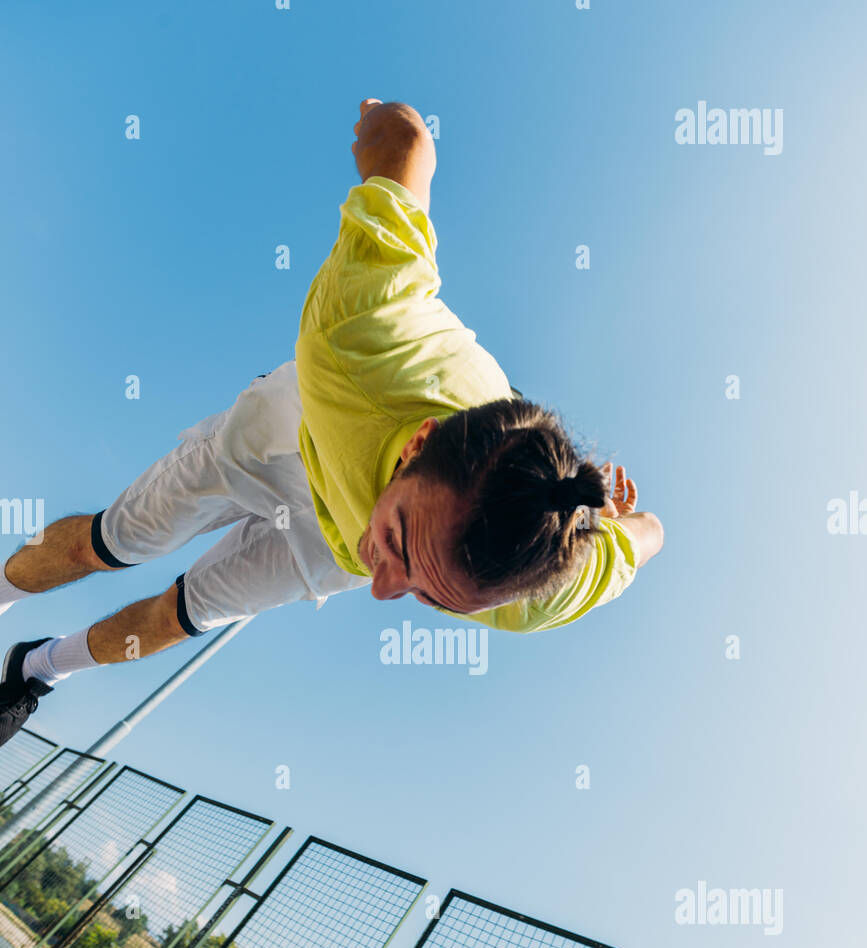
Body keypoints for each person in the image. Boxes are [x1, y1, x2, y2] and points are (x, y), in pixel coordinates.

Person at [0, 99, 663, 746]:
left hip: (325, 543)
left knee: (180, 616)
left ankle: (33, 668)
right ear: (418, 446)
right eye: (404, 546)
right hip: (276, 440)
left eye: (429, 598)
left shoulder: (529, 589)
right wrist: (381, 118)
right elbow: (404, 144)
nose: (385, 590)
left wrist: (598, 518)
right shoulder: (365, 328)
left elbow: (647, 536)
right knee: (111, 545)